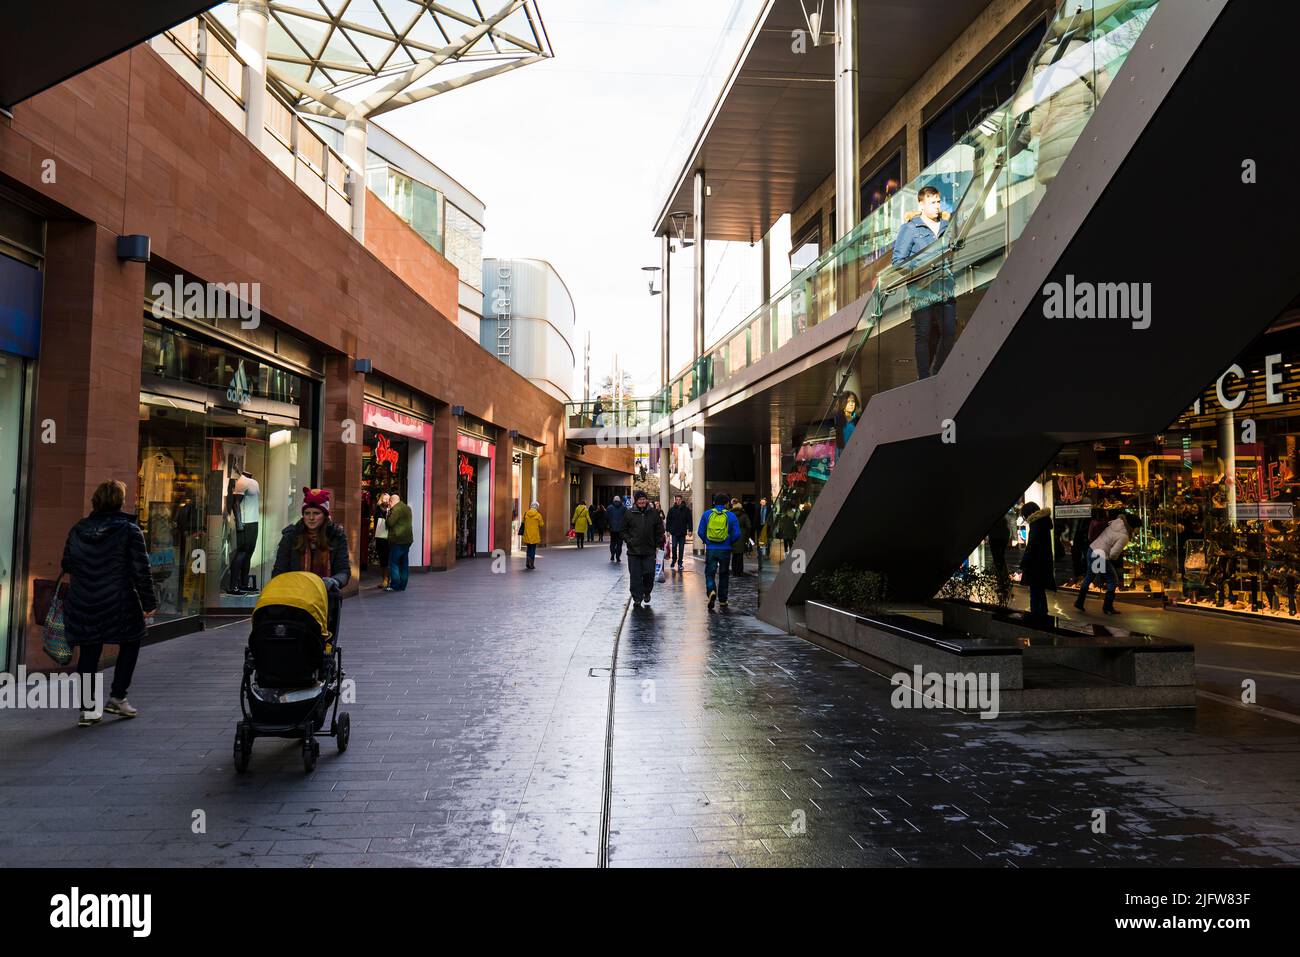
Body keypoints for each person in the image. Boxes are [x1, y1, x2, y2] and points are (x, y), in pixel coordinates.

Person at [61, 480, 158, 725]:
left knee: (89, 651)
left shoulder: (78, 529)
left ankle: (87, 709)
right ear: (119, 501)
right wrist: (148, 602)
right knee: (131, 642)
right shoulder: (128, 530)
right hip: (118, 599)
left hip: (83, 600)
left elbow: (67, 564)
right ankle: (117, 697)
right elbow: (140, 569)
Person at [892, 185, 956, 380]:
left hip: (945, 287)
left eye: (938, 201)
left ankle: (937, 373)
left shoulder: (947, 227)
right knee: (924, 334)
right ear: (921, 204)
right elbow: (898, 262)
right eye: (932, 202)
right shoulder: (910, 228)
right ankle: (924, 378)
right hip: (921, 290)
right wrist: (921, 270)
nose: (937, 206)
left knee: (949, 331)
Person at [272, 487, 351, 636]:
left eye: (316, 513)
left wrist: (334, 581)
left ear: (325, 515)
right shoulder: (290, 536)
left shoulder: (337, 536)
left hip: (324, 597)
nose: (311, 518)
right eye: (307, 513)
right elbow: (279, 570)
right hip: (294, 596)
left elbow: (344, 571)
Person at [1075, 512, 1136, 615]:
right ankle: (1107, 607)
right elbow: (1113, 554)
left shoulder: (1116, 523)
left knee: (1089, 576)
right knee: (1113, 580)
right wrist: (1117, 556)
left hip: (1092, 549)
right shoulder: (1124, 536)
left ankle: (1079, 602)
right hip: (1100, 555)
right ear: (1133, 526)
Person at [698, 493, 741, 611]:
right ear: (727, 503)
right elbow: (737, 534)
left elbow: (700, 531)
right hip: (725, 549)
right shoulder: (731, 516)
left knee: (709, 573)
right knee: (724, 574)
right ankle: (722, 600)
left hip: (711, 549)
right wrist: (729, 541)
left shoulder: (707, 514)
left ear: (714, 502)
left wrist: (707, 541)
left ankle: (711, 590)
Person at [623, 491, 665, 608]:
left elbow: (659, 530)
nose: (642, 501)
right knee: (635, 575)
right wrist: (629, 541)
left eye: (644, 499)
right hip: (633, 551)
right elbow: (624, 530)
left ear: (646, 500)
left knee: (649, 573)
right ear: (636, 501)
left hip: (649, 550)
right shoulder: (629, 513)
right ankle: (637, 598)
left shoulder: (653, 513)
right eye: (639, 499)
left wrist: (657, 544)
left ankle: (647, 592)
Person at [1019, 502, 1056, 619]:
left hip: (1035, 564)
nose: (1025, 519)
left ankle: (1035, 618)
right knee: (1040, 591)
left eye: (1025, 516)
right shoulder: (1043, 522)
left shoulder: (1036, 524)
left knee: (1034, 592)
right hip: (1043, 562)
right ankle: (1043, 613)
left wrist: (1024, 561)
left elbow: (1031, 546)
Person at [385, 492, 413, 591]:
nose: (389, 505)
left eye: (389, 503)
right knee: (404, 563)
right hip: (407, 540)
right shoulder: (407, 508)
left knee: (394, 563)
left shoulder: (396, 509)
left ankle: (395, 585)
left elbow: (390, 523)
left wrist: (388, 513)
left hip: (398, 540)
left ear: (392, 501)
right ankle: (403, 585)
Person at [665, 494, 692, 570]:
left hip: (682, 532)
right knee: (673, 547)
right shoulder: (671, 509)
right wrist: (667, 530)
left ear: (681, 500)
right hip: (674, 532)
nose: (678, 501)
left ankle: (680, 563)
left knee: (681, 548)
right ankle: (674, 560)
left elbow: (689, 520)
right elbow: (668, 520)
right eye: (676, 499)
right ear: (675, 500)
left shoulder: (686, 509)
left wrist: (690, 530)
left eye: (679, 499)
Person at [373, 491, 391, 589]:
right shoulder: (377, 509)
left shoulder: (391, 509)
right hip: (380, 537)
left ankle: (388, 579)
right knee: (382, 560)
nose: (386, 501)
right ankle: (384, 579)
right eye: (384, 499)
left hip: (389, 538)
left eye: (387, 499)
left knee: (388, 559)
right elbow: (377, 522)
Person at [986, 510, 1011, 581]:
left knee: (998, 559)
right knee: (1000, 558)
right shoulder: (1004, 520)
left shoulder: (994, 520)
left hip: (995, 537)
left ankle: (1001, 579)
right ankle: (1003, 579)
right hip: (1001, 537)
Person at [730, 499, 752, 577]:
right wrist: (747, 536)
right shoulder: (744, 515)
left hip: (732, 537)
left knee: (734, 555)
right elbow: (749, 526)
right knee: (740, 556)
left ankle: (734, 571)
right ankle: (739, 572)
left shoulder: (730, 515)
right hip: (741, 537)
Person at [521, 501, 544, 569]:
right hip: (534, 535)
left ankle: (527, 562)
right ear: (537, 507)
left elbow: (523, 522)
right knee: (533, 549)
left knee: (528, 549)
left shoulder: (526, 514)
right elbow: (541, 524)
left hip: (527, 534)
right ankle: (531, 564)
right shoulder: (538, 515)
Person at [607, 495, 627, 563]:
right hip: (621, 529)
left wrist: (608, 525)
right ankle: (618, 557)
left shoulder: (609, 508)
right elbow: (626, 518)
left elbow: (607, 518)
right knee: (619, 544)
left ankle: (612, 554)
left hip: (612, 529)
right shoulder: (623, 508)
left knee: (612, 543)